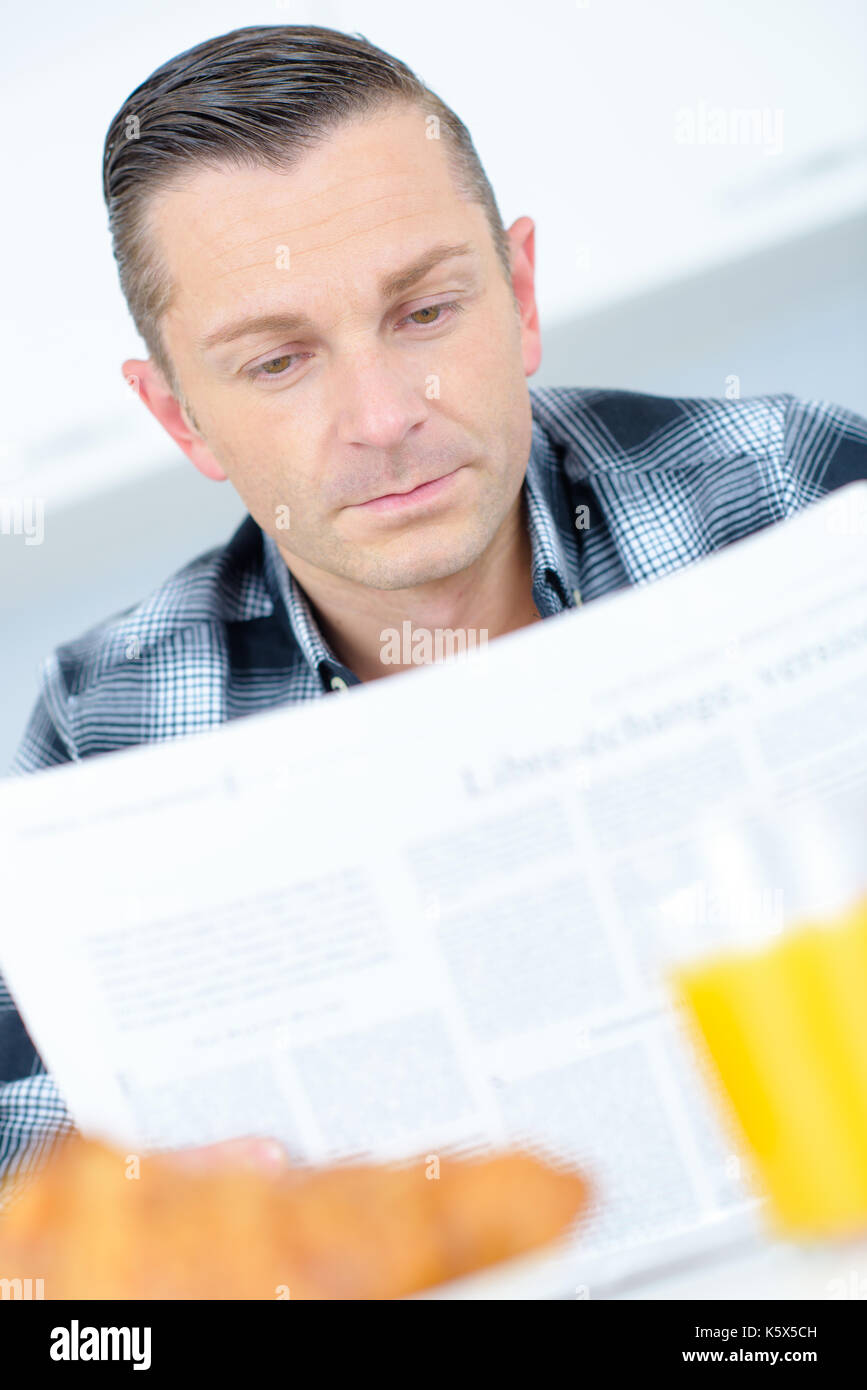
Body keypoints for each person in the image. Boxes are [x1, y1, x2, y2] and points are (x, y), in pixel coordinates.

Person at [3, 23, 866, 1191]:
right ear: (180, 419)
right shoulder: (104, 732)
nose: (381, 416)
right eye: (278, 362)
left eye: (422, 312)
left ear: (518, 292)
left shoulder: (799, 490)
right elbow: (38, 1194)